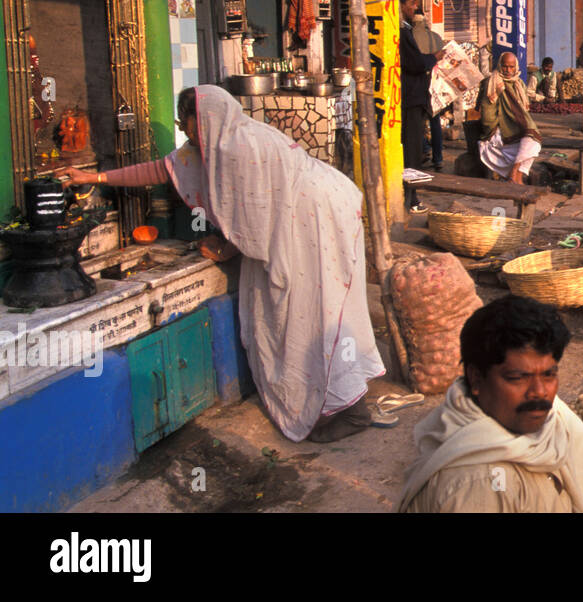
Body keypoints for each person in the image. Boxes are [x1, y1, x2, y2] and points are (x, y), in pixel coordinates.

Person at [68, 86, 385, 443]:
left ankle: (350, 408)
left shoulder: (238, 147)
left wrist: (224, 250)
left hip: (315, 216)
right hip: (316, 211)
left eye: (186, 122)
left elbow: (254, 218)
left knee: (319, 310)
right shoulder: (220, 140)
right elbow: (163, 169)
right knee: (311, 309)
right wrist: (93, 179)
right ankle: (330, 401)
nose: (186, 132)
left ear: (201, 117)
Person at [398, 296, 583, 513]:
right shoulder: (479, 484)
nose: (539, 392)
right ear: (476, 379)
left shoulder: (553, 417)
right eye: (517, 378)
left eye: (549, 375)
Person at [399, 0, 443, 211]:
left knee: (413, 148)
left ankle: (410, 196)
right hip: (411, 98)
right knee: (411, 151)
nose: (413, 8)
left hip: (414, 97)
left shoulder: (407, 32)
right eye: (410, 4)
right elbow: (415, 64)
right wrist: (434, 58)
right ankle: (411, 199)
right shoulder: (402, 33)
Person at [477, 51, 542, 184]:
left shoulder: (519, 83)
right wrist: (494, 129)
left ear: (516, 67)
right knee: (529, 138)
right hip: (498, 129)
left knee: (533, 144)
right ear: (500, 65)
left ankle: (515, 175)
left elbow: (522, 111)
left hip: (516, 126)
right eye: (505, 66)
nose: (508, 70)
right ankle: (516, 177)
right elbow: (487, 115)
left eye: (511, 67)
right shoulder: (492, 83)